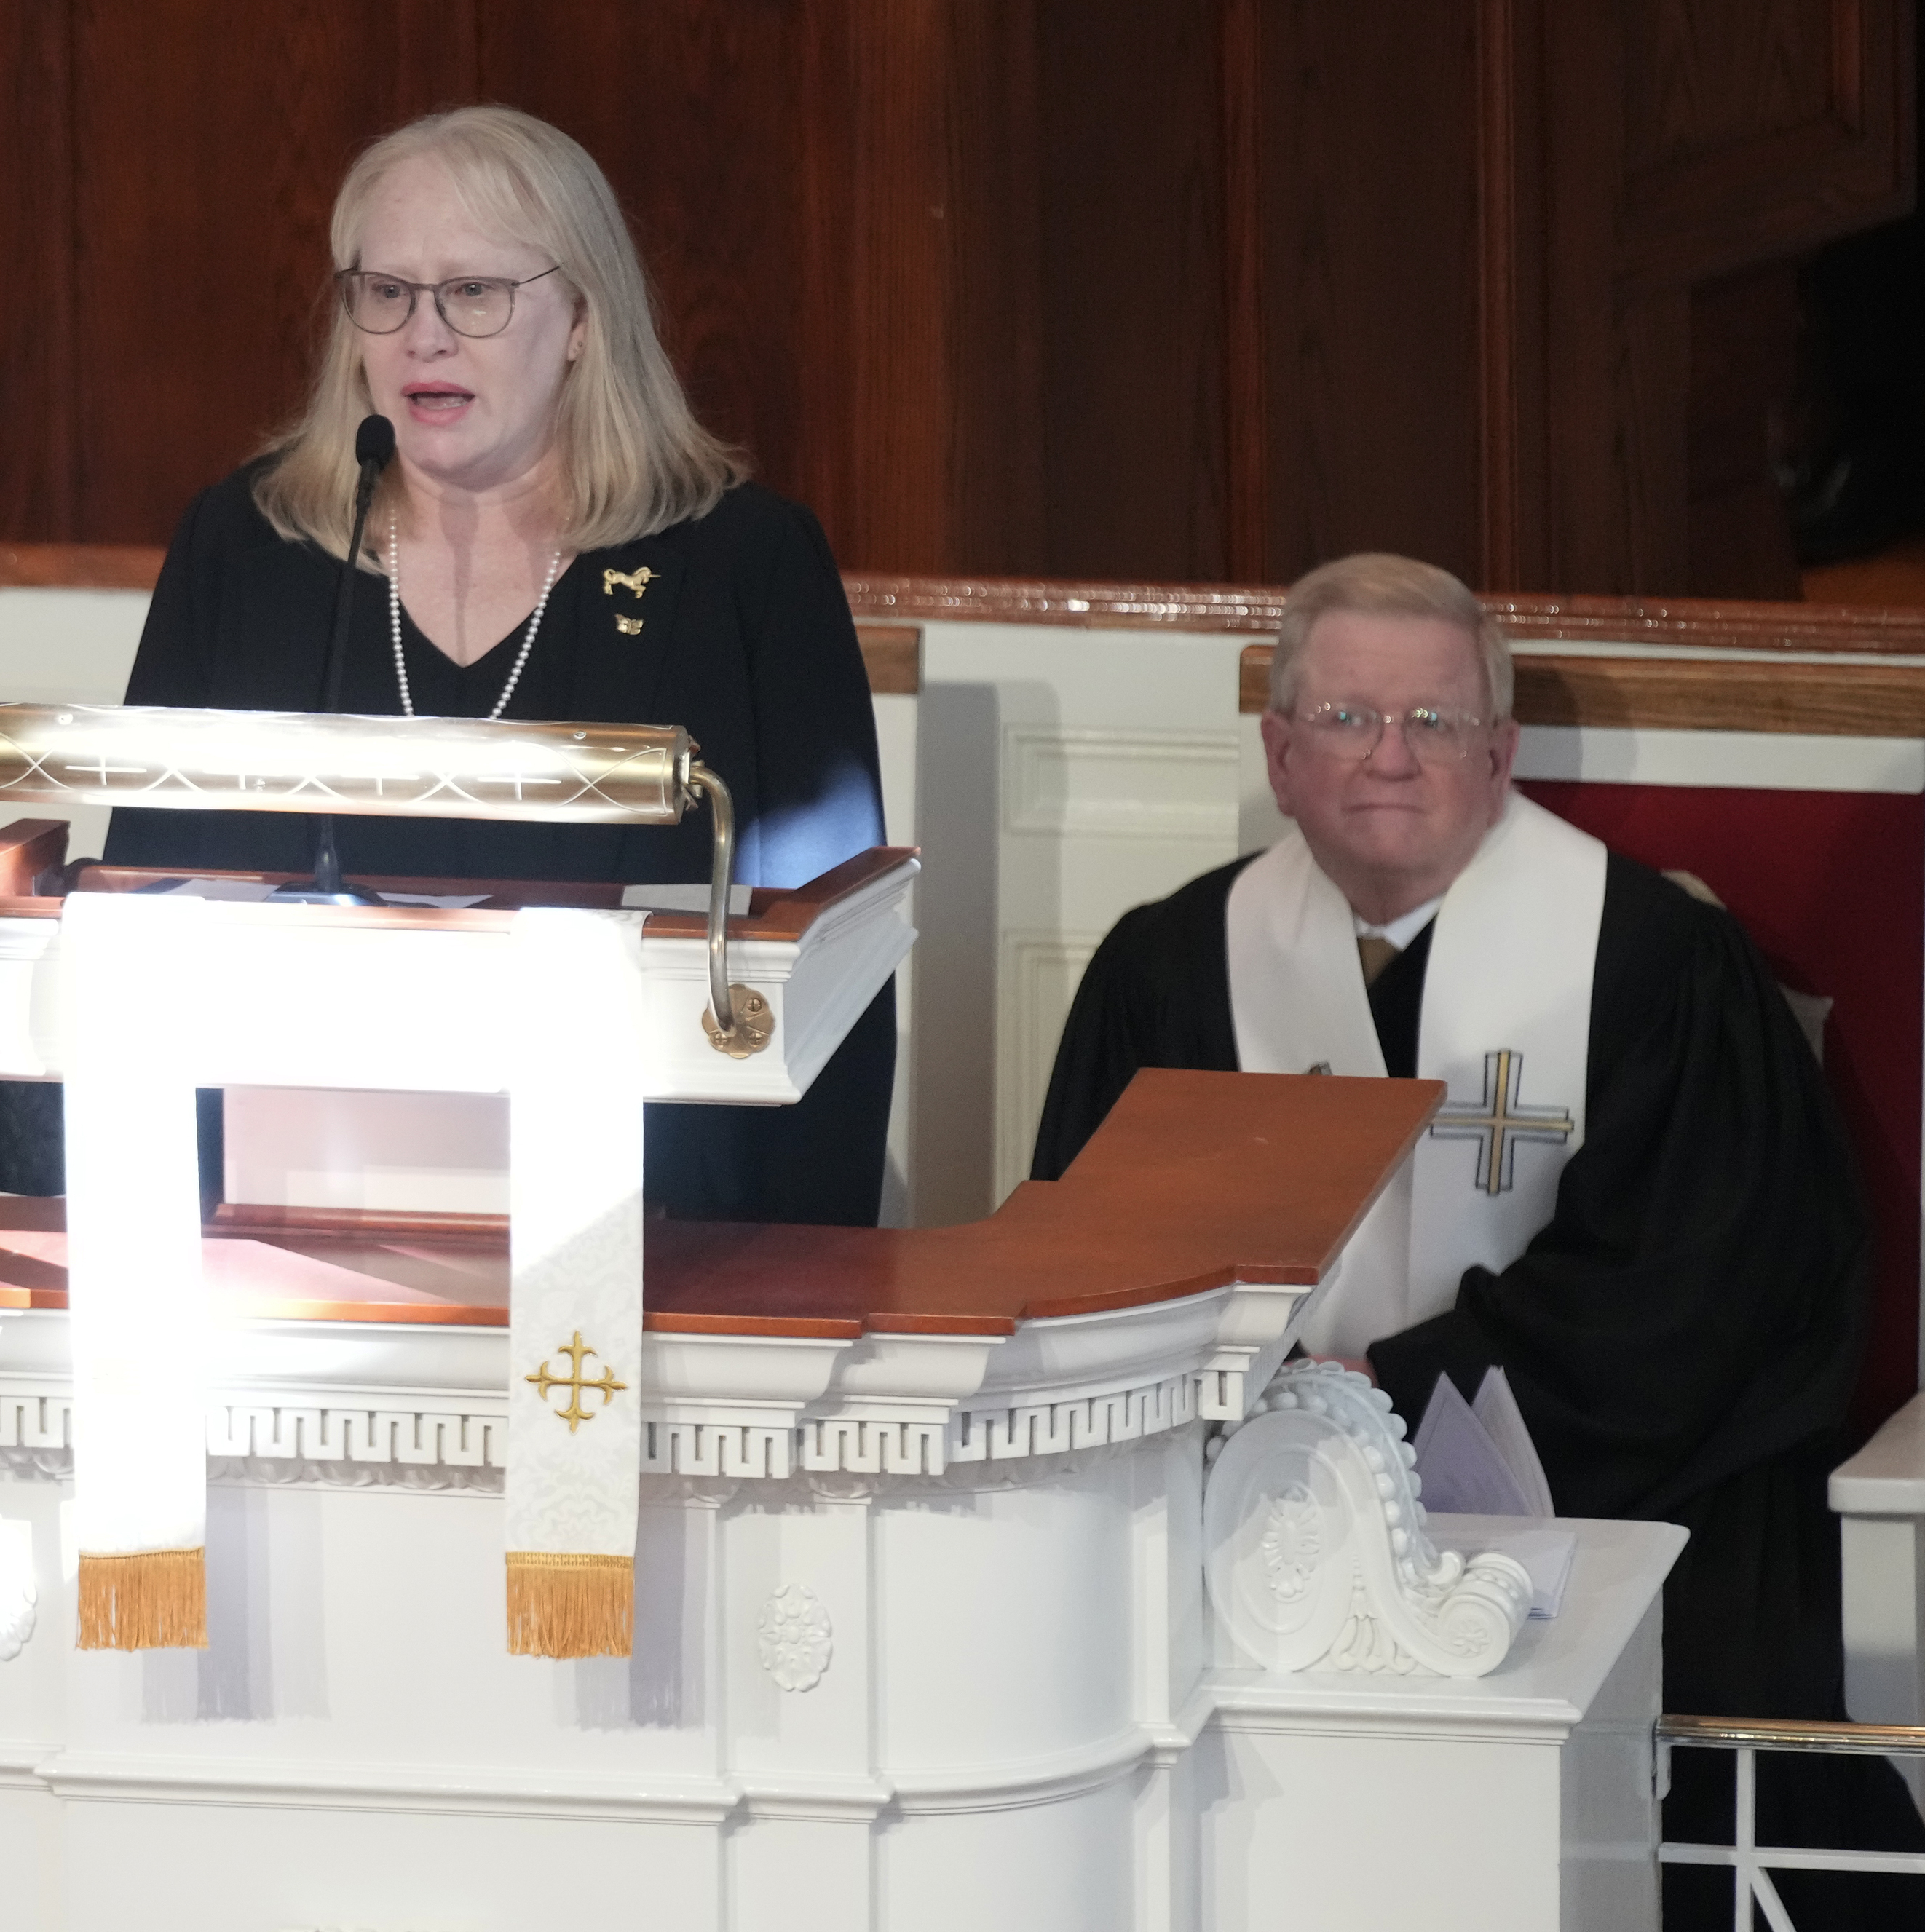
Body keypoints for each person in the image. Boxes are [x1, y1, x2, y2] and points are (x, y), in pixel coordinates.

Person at [1031, 550, 1917, 1926]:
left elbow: (1698, 1291)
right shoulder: (1167, 968)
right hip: (1248, 1501)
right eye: (1344, 719)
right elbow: (1089, 1264)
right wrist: (1270, 1430)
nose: (1390, 757)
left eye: (1433, 722)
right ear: (1277, 752)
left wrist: (1375, 1405)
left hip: (1612, 1481)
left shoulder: (1654, 966)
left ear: (1498, 753)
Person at [99, 104, 891, 1224]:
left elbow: (828, 969)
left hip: (661, 1236)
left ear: (580, 317)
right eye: (388, 292)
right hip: (287, 1232)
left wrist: (805, 1273)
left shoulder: (741, 565)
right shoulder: (247, 549)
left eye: (474, 293)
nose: (424, 336)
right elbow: (141, 914)